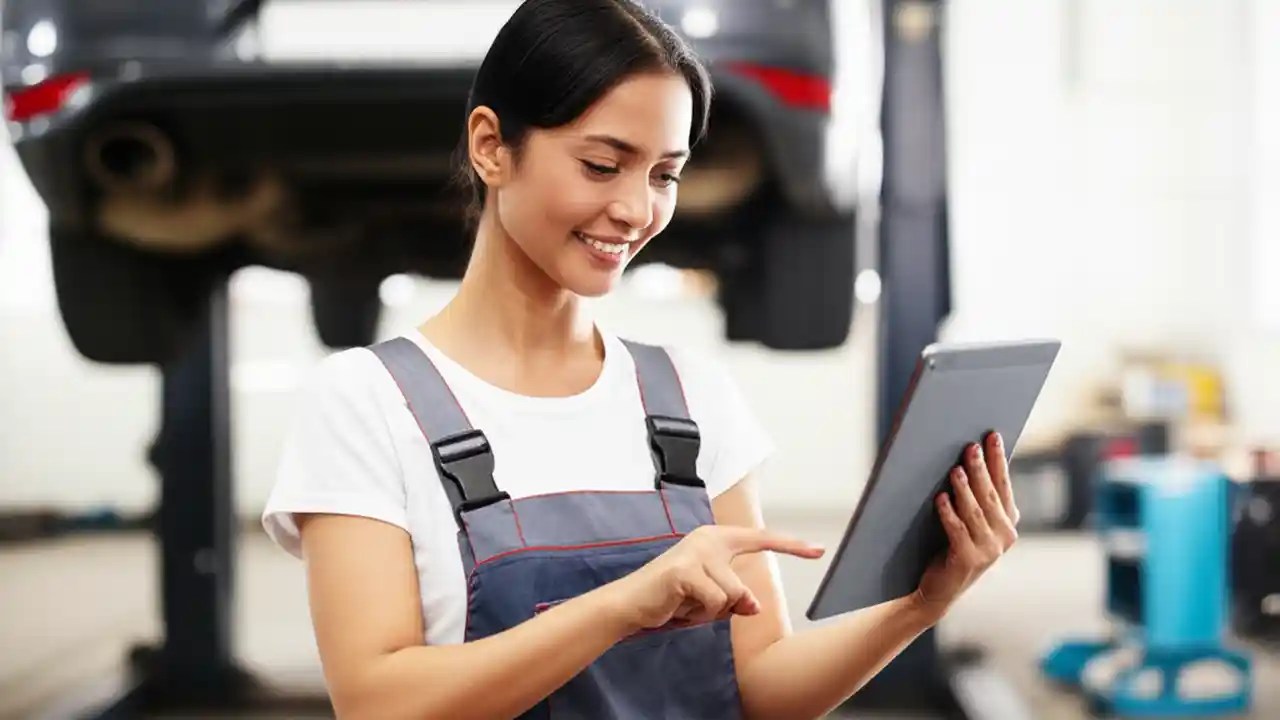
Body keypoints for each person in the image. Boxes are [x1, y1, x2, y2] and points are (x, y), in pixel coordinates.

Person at [261, 1, 1023, 717]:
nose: (636, 210)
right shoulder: (367, 401)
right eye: (602, 165)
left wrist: (923, 603)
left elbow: (758, 688)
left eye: (664, 174)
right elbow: (377, 701)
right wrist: (624, 605)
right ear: (491, 146)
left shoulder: (690, 396)